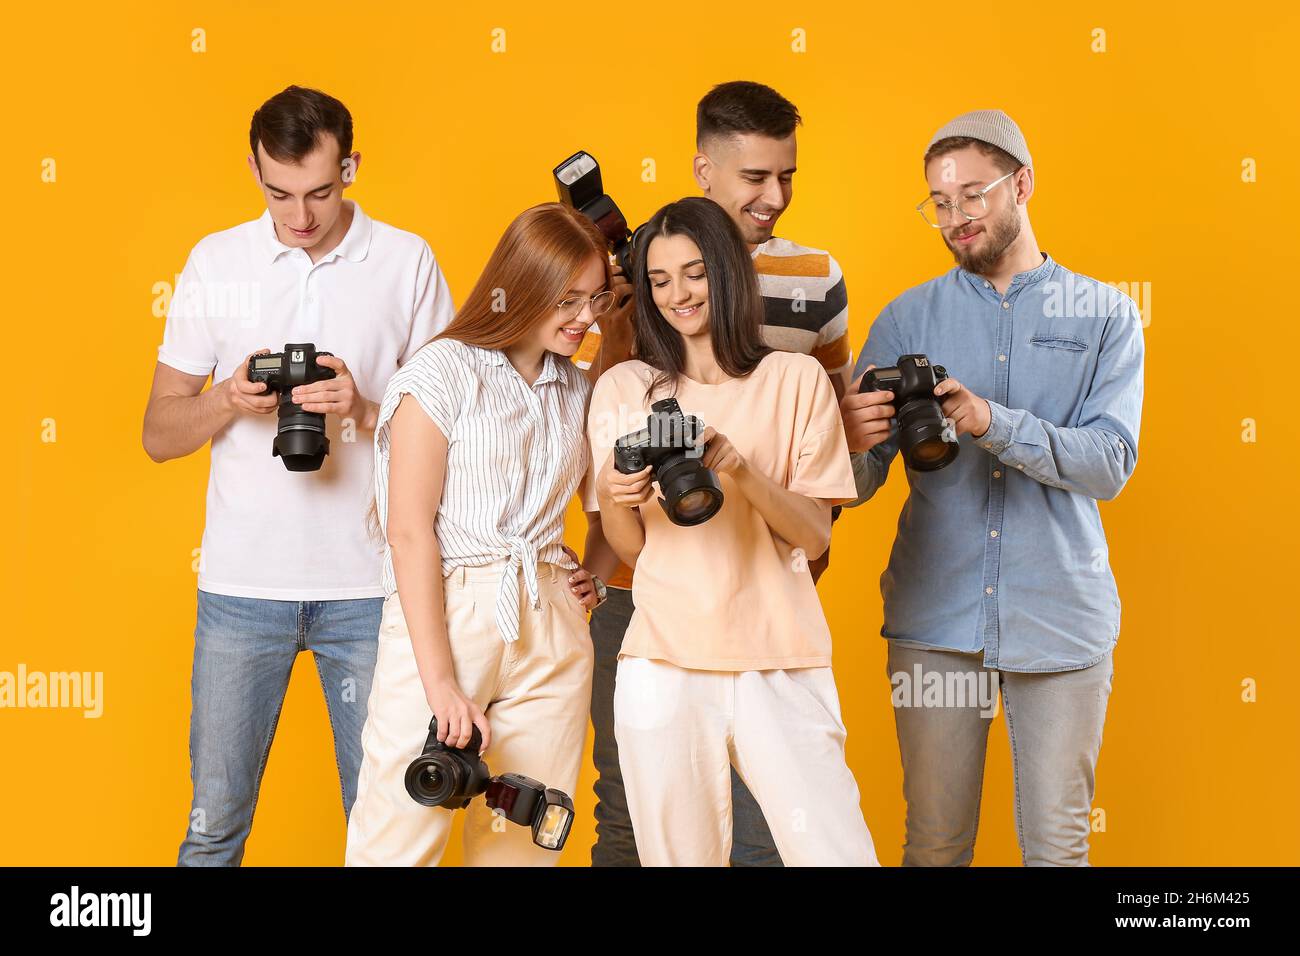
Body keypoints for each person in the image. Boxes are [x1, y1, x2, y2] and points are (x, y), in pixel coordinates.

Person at [143, 85, 455, 866]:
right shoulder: (217, 261)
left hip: (373, 588)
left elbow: (456, 435)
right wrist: (227, 399)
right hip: (242, 589)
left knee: (388, 827)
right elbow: (157, 433)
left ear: (351, 165)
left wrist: (366, 405)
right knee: (214, 829)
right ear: (254, 168)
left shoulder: (407, 261)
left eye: (320, 190)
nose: (300, 215)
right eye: (278, 192)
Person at [840, 110, 1144, 866]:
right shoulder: (907, 317)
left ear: (1023, 184)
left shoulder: (1105, 313)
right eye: (939, 203)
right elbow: (856, 485)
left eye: (972, 196)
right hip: (936, 624)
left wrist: (990, 421)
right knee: (937, 846)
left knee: (1056, 849)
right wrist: (840, 439)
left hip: (1062, 624)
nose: (954, 219)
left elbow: (1110, 461)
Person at [581, 79, 853, 868]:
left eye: (693, 274)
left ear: (727, 270)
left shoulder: (794, 378)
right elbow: (630, 545)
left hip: (778, 644)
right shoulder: (626, 387)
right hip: (664, 650)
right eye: (660, 281)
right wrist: (616, 493)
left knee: (824, 847)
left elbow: (813, 528)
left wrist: (738, 466)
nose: (677, 295)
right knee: (663, 848)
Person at [344, 203, 607, 866]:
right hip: (451, 614)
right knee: (397, 839)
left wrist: (592, 573)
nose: (587, 318)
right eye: (568, 299)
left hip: (551, 620)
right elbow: (408, 532)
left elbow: (607, 511)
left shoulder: (579, 388)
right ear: (518, 287)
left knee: (522, 845)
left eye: (596, 299)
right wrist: (440, 685)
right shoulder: (441, 373)